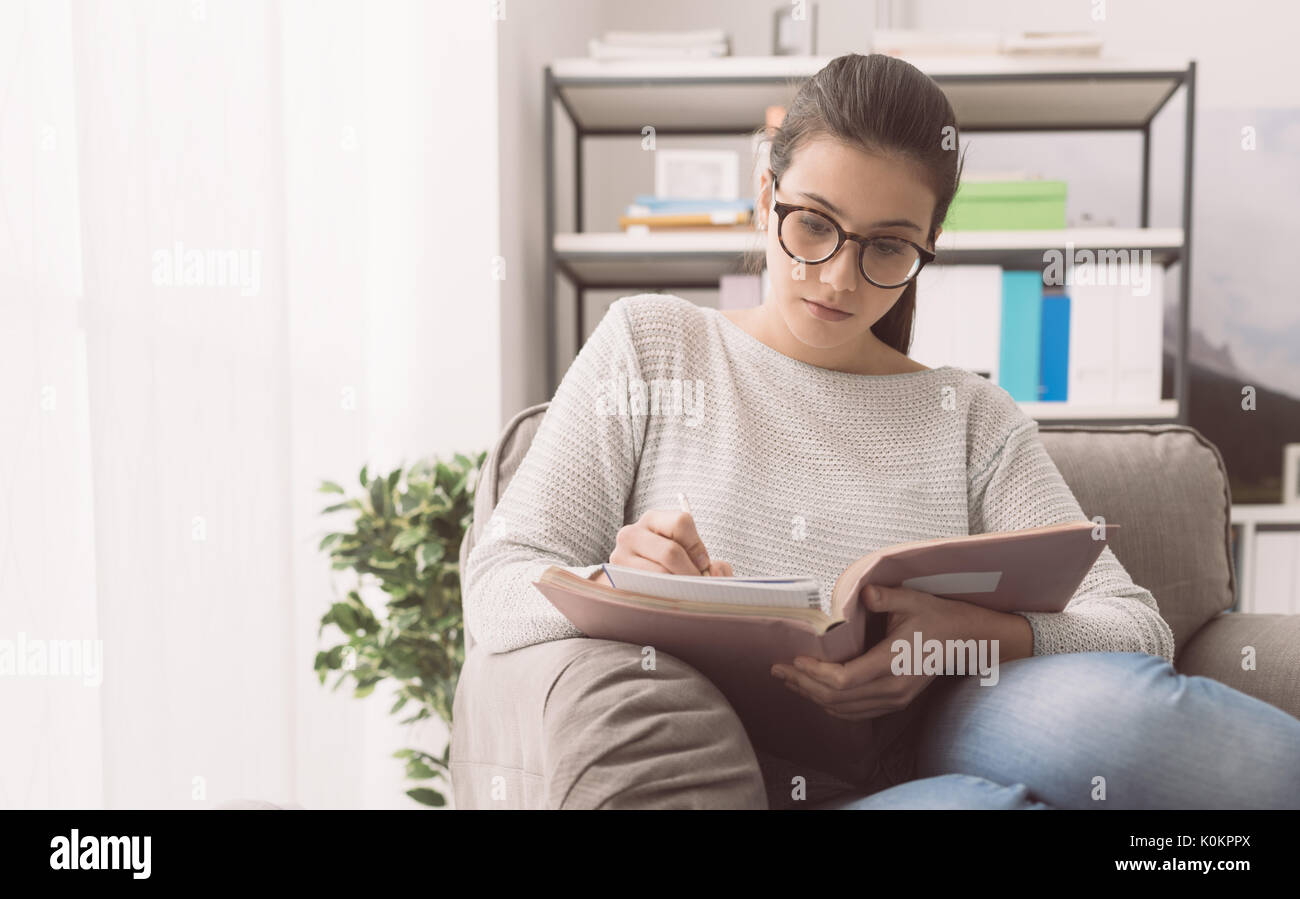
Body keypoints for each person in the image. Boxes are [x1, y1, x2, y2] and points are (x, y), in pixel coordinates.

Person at [462, 52, 1300, 810]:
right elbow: (498, 583)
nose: (836, 276)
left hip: (941, 731)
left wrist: (976, 638)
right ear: (767, 199)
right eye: (813, 224)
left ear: (928, 247)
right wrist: (618, 582)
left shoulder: (971, 414)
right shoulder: (652, 346)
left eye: (887, 248)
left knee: (1137, 719)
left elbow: (1135, 624)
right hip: (738, 762)